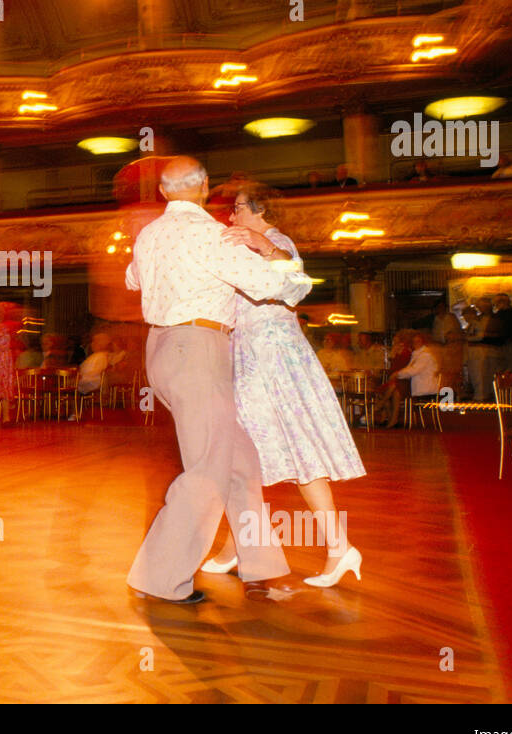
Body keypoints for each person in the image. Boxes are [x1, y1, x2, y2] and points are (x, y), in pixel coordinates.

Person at [124, 157, 313, 604]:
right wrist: (271, 251)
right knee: (208, 469)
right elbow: (285, 288)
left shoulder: (149, 235)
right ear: (205, 186)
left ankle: (261, 565)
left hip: (163, 350)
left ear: (164, 192)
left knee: (239, 462)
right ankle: (159, 577)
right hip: (199, 351)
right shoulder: (211, 234)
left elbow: (135, 280)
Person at [203, 182, 366, 587]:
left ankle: (330, 547)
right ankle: (331, 547)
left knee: (280, 453)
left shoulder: (275, 241)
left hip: (273, 357)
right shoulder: (248, 243)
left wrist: (264, 245)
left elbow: (295, 284)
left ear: (261, 210)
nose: (232, 215)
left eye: (238, 207)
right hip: (254, 355)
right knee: (263, 455)